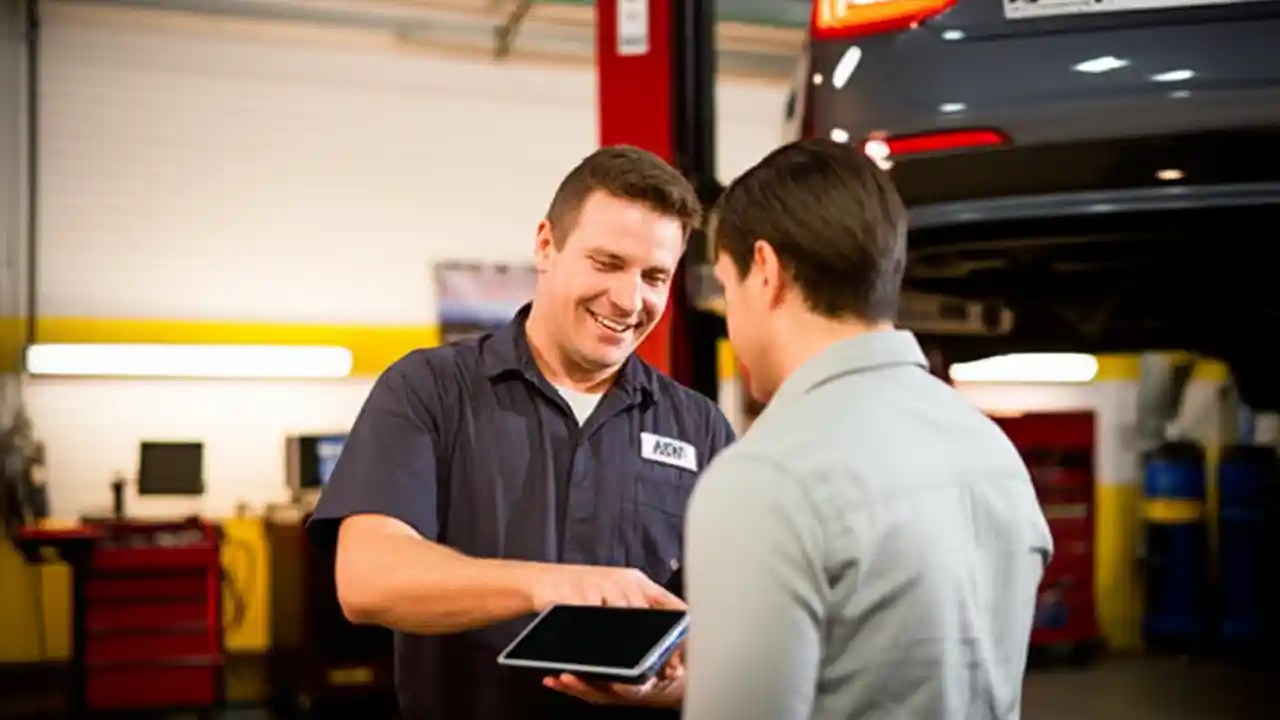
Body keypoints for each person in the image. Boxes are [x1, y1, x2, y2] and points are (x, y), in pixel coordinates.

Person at [306, 145, 737, 720]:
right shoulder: (430, 390)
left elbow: (731, 637)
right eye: (607, 263)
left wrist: (667, 688)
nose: (631, 300)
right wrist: (546, 585)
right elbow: (366, 579)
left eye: (654, 276)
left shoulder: (699, 425)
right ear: (545, 246)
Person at [678, 138, 1055, 719]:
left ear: (766, 272)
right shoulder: (990, 451)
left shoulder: (764, 481)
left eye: (727, 287)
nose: (730, 318)